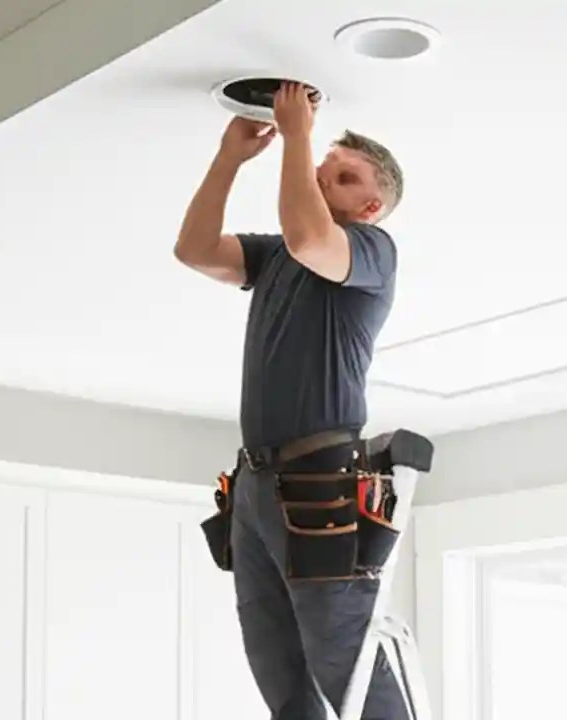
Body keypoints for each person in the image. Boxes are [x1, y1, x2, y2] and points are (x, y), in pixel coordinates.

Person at [175, 82, 409, 719]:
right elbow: (194, 249)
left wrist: (300, 134)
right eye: (322, 168)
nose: (321, 174)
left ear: (369, 204)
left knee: (340, 650)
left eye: (342, 175)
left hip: (317, 478)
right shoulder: (278, 255)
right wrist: (229, 159)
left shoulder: (370, 253)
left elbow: (311, 238)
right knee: (274, 661)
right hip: (255, 481)